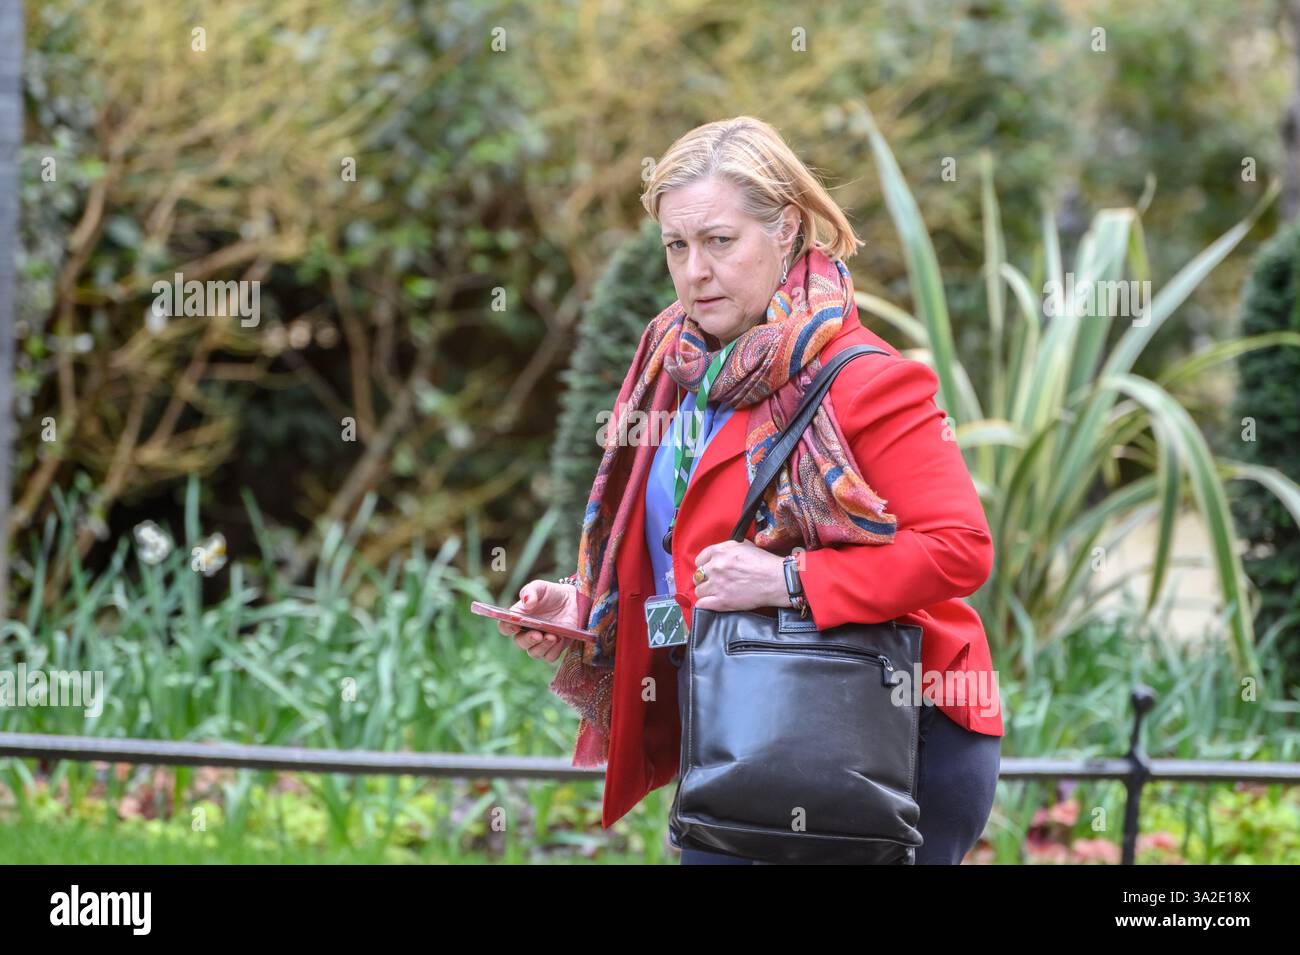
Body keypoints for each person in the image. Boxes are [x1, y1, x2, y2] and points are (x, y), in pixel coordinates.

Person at [500, 116, 1002, 864]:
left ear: (787, 229)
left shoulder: (868, 379)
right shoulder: (676, 368)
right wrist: (589, 605)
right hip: (742, 727)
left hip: (890, 736)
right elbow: (684, 559)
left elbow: (960, 551)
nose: (695, 271)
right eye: (677, 245)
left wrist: (789, 578)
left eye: (720, 241)